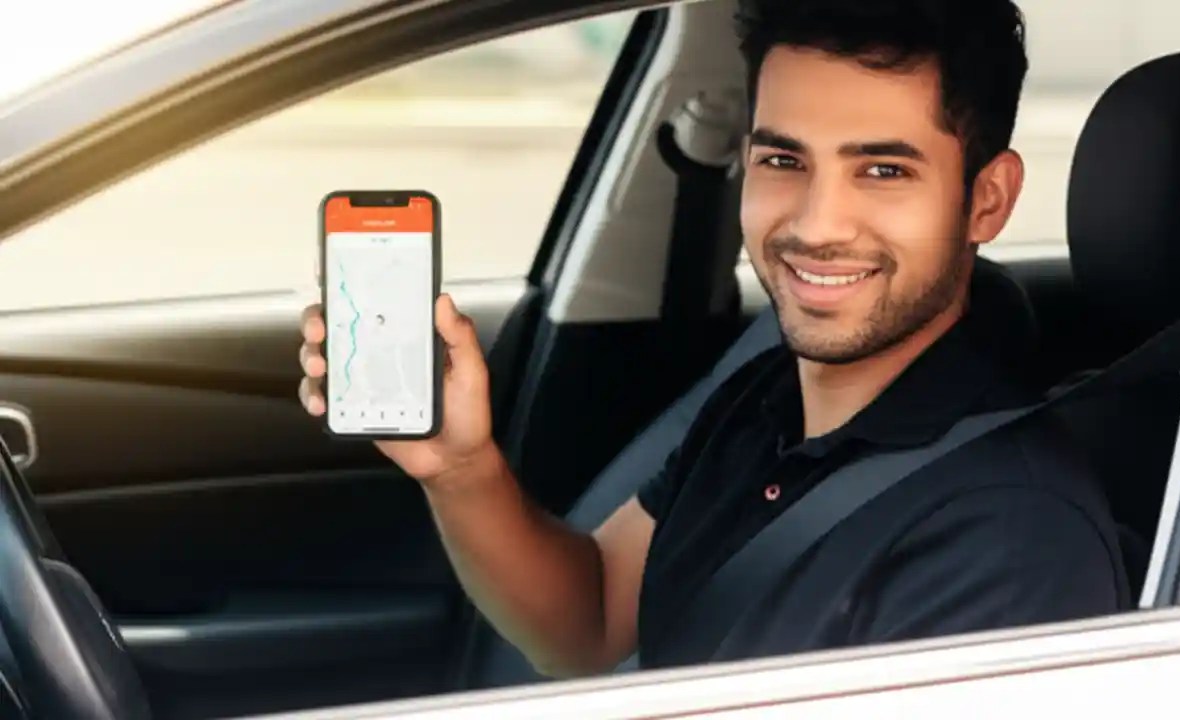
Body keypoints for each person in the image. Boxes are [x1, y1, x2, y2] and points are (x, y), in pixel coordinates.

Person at [298, 0, 1129, 678]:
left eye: (883, 171)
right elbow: (587, 622)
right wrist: (460, 468)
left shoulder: (1014, 541)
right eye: (783, 161)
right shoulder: (763, 394)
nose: (816, 224)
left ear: (987, 199)